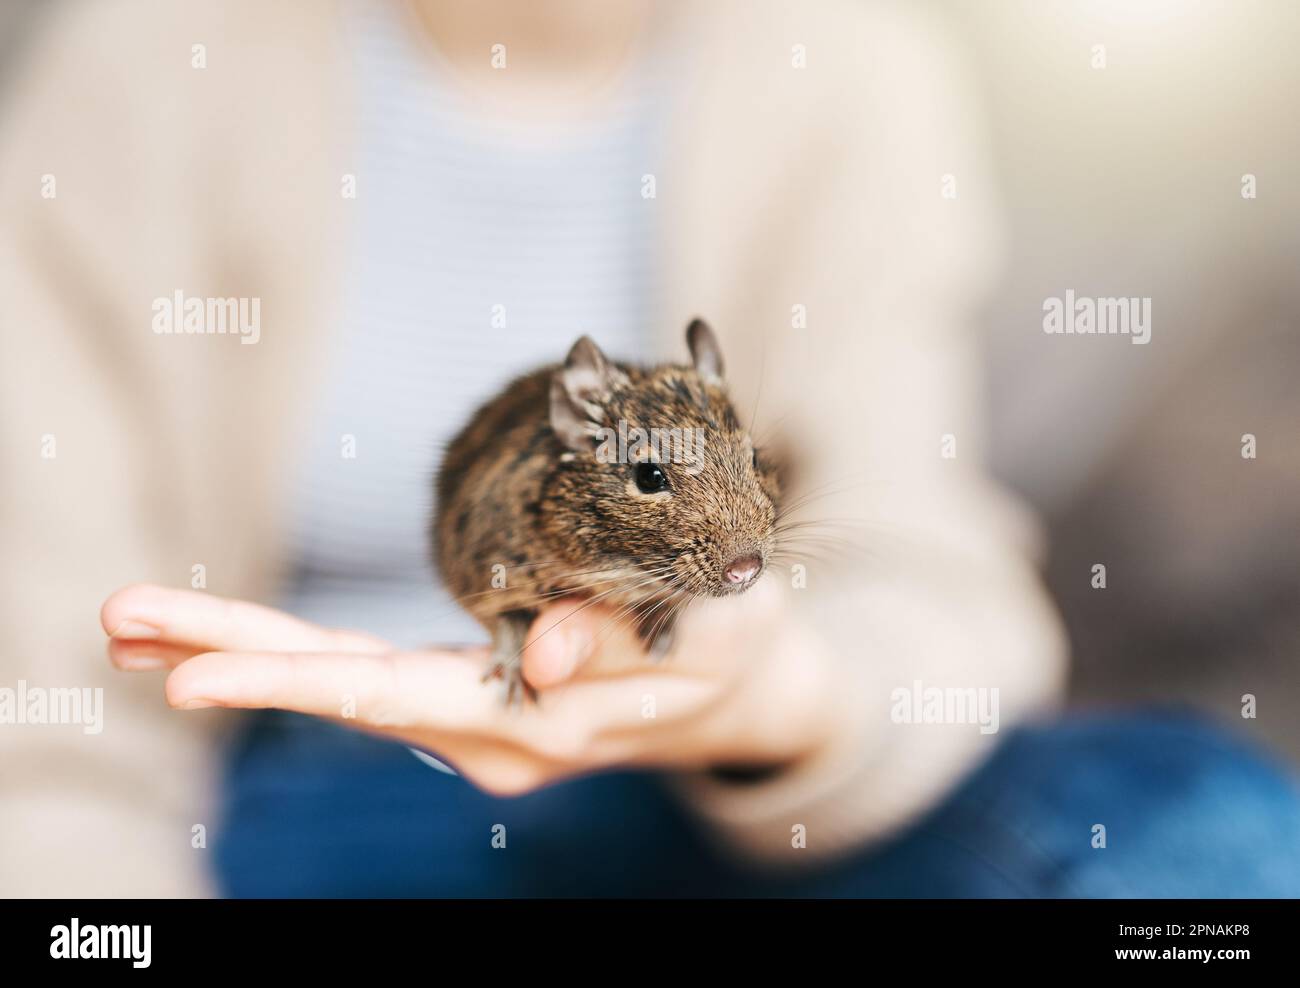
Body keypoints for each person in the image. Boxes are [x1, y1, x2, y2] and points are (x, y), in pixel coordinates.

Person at [3, 0, 1297, 897]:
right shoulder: (143, 64)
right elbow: (45, 658)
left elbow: (923, 562)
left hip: (740, 798)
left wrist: (783, 698)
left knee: (1205, 836)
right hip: (295, 790)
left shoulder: (851, 68)